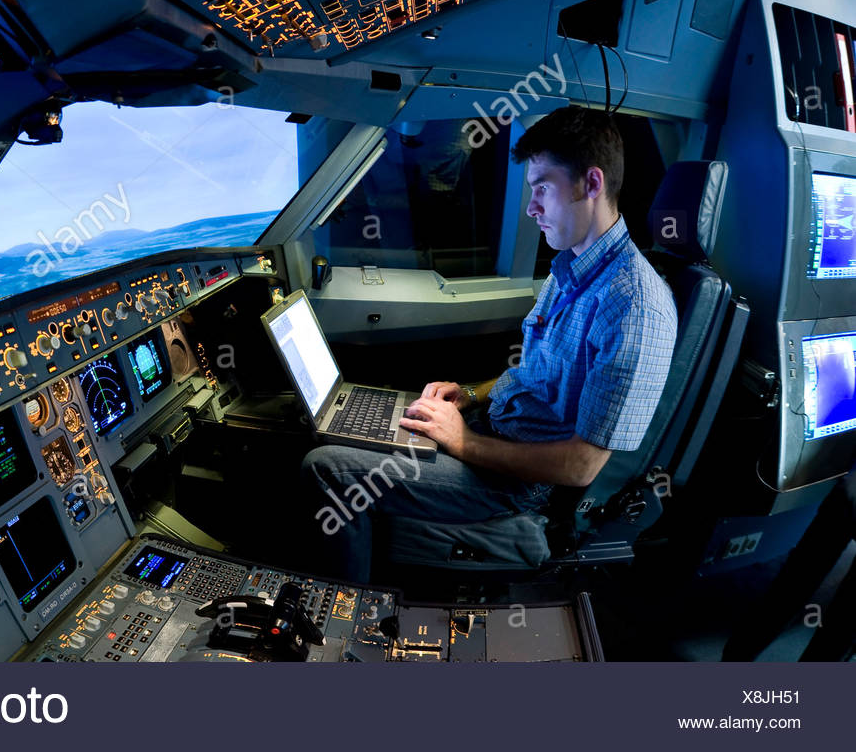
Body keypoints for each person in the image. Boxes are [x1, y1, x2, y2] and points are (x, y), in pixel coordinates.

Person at [301, 105, 678, 582]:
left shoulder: (635, 307)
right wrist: (471, 395)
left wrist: (462, 442)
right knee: (354, 422)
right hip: (489, 429)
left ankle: (340, 620)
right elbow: (533, 375)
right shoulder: (569, 269)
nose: (531, 207)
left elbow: (581, 465)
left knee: (327, 468)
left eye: (542, 187)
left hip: (514, 485)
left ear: (591, 183)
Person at [721, 468, 856, 661]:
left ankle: (735, 658)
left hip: (850, 491)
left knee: (793, 584)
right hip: (849, 493)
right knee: (844, 616)